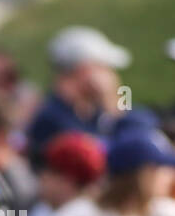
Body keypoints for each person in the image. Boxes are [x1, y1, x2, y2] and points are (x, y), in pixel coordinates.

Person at [44, 130, 175, 216]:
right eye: (158, 169)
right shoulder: (84, 213)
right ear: (140, 176)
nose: (169, 176)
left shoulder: (161, 213)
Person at [26, 27, 130, 164]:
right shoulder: (52, 119)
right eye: (104, 67)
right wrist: (111, 98)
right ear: (84, 70)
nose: (111, 75)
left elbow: (131, 128)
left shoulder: (89, 110)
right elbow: (113, 153)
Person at [24, 131, 106, 216]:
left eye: (51, 170)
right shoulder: (45, 208)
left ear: (69, 179)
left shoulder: (81, 210)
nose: (43, 176)